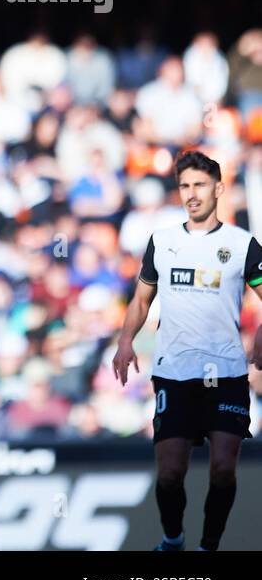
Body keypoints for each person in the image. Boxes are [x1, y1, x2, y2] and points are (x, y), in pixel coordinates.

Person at [113, 150, 262, 552]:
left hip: (227, 373)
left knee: (223, 471)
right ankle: (173, 537)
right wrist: (126, 340)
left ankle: (208, 547)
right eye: (184, 186)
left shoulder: (242, 244)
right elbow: (142, 300)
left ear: (218, 189)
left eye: (198, 185)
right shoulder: (162, 242)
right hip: (175, 372)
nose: (191, 194)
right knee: (169, 473)